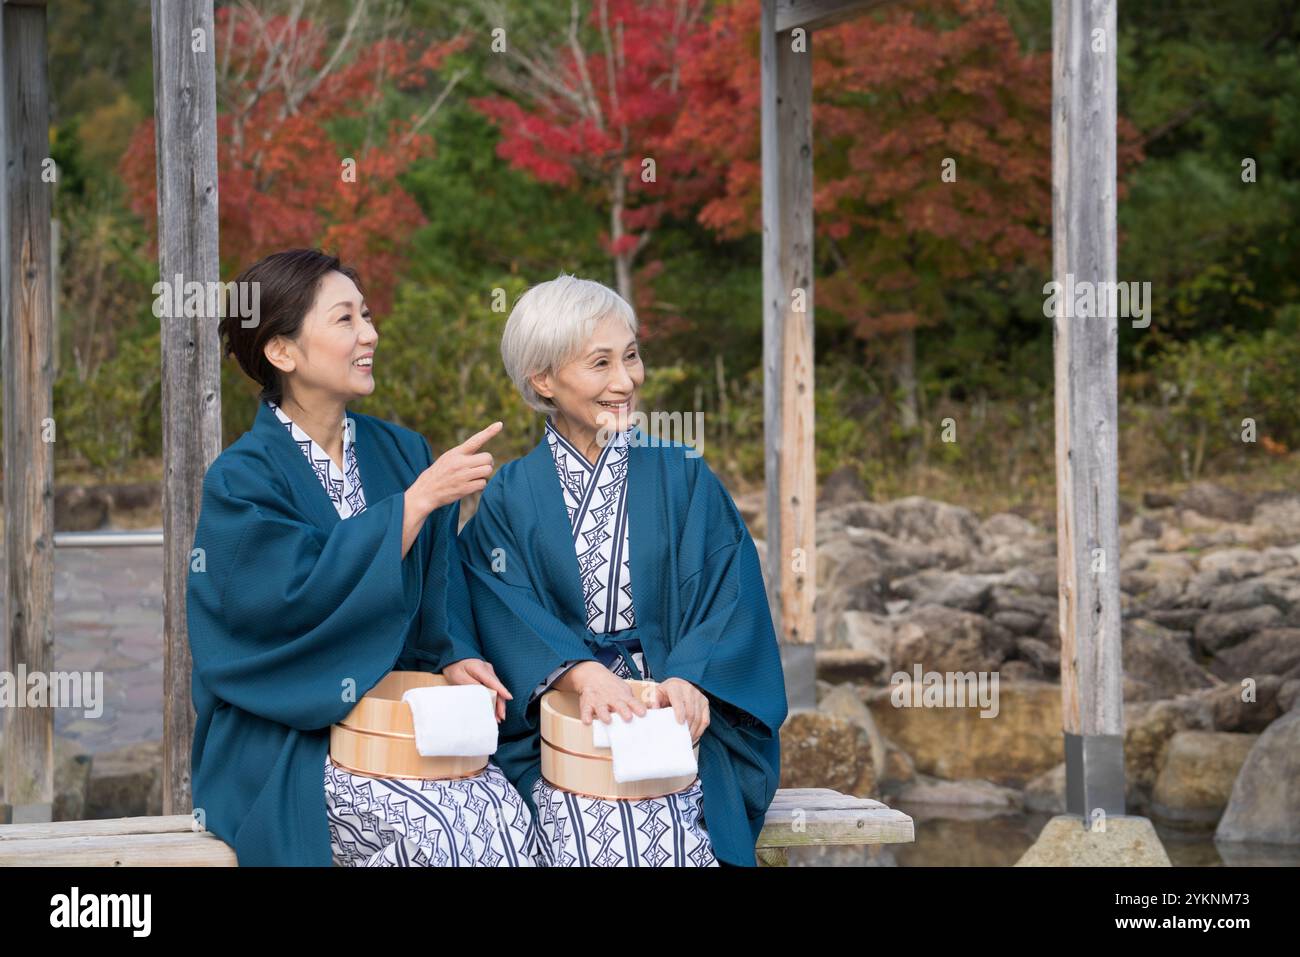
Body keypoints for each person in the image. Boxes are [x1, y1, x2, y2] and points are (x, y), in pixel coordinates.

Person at [187, 248, 536, 866]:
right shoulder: (240, 479)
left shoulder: (401, 451)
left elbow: (440, 584)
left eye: (367, 316)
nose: (370, 334)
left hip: (399, 719)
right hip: (288, 736)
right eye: (345, 320)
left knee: (508, 822)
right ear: (283, 351)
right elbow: (286, 599)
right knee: (442, 839)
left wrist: (457, 655)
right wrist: (413, 504)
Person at [459, 274, 787, 867]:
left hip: (678, 720)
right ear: (543, 380)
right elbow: (497, 602)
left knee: (672, 825)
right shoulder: (510, 495)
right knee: (584, 825)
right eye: (601, 363)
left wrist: (692, 677)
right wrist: (579, 674)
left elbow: (729, 593)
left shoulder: (681, 473)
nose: (626, 381)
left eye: (631, 356)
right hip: (563, 726)